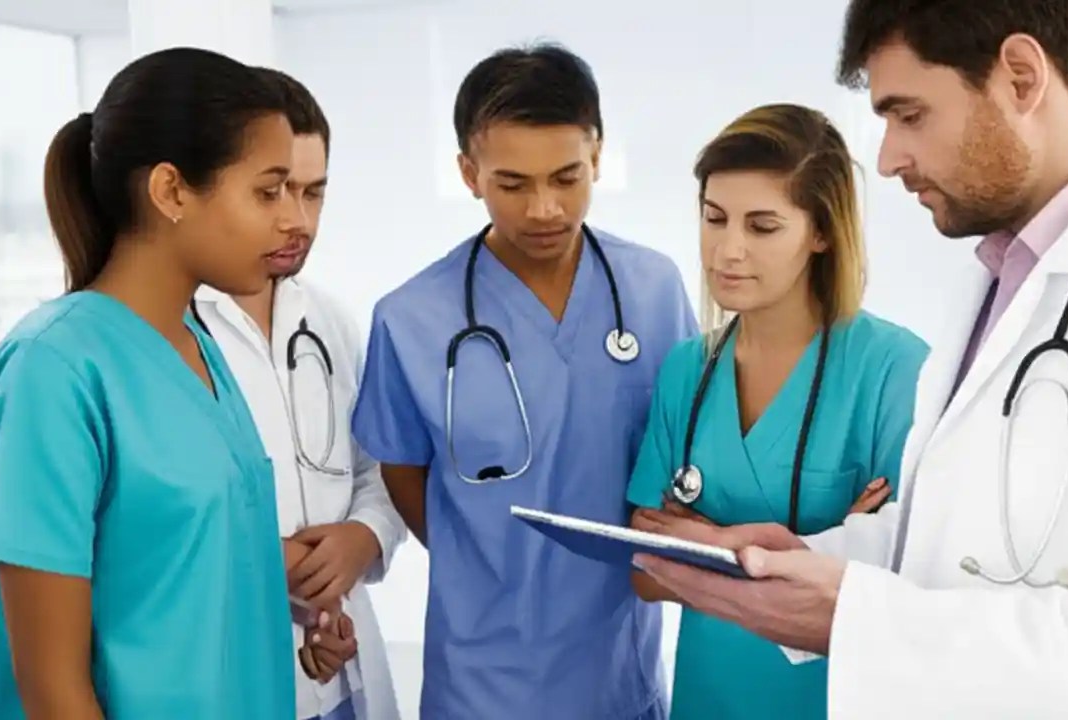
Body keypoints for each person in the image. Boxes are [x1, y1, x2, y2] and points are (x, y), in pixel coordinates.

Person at [633, 2, 1068, 717]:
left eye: (908, 115)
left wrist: (847, 613)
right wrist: (815, 557)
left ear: (1021, 76)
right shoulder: (1002, 274)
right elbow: (954, 536)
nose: (886, 159)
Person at [351, 43, 697, 719]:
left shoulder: (652, 288)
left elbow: (687, 442)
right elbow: (401, 469)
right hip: (484, 672)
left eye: (567, 177)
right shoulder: (410, 317)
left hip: (617, 662)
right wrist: (486, 558)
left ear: (597, 157)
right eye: (513, 184)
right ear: (468, 173)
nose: (544, 208)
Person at [0, 48, 299, 719]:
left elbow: (171, 562)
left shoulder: (198, 346)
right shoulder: (53, 369)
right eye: (269, 191)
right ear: (172, 190)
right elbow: (53, 689)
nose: (292, 218)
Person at [626, 104, 928, 719]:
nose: (727, 250)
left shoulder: (894, 370)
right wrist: (814, 546)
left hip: (836, 699)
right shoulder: (688, 368)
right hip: (708, 696)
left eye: (762, 226)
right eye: (715, 219)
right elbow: (644, 569)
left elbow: (910, 573)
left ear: (821, 232)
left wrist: (704, 538)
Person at [190, 67, 404, 720]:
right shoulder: (175, 329)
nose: (298, 221)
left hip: (343, 665)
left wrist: (364, 536)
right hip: (230, 668)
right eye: (274, 193)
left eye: (314, 194)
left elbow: (378, 465)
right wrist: (265, 559)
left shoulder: (331, 321)